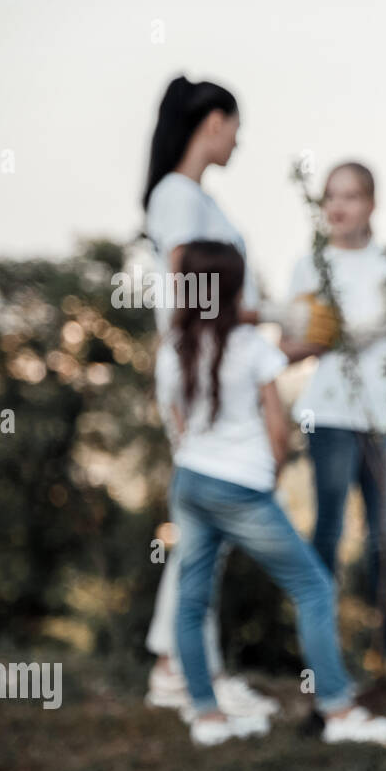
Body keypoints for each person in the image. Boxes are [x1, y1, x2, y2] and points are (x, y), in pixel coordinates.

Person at [155, 240, 386, 747]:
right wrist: (269, 475)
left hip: (191, 482)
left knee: (192, 599)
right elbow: (278, 428)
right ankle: (337, 712)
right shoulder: (249, 347)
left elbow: (177, 423)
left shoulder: (171, 348)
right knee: (314, 588)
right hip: (243, 487)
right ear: (235, 289)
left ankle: (206, 717)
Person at [283, 161, 386, 695]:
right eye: (331, 196)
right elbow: (289, 347)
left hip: (380, 417)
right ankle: (321, 664)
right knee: (328, 534)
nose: (339, 206)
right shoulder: (311, 266)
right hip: (329, 414)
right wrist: (334, 335)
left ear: (371, 204)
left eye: (351, 196)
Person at [140, 74, 277, 720]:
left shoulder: (192, 196)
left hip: (208, 372)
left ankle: (191, 665)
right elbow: (188, 297)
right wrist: (264, 317)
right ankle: (176, 666)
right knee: (203, 534)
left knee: (206, 535)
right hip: (200, 382)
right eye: (235, 125)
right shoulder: (177, 197)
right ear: (213, 122)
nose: (239, 139)